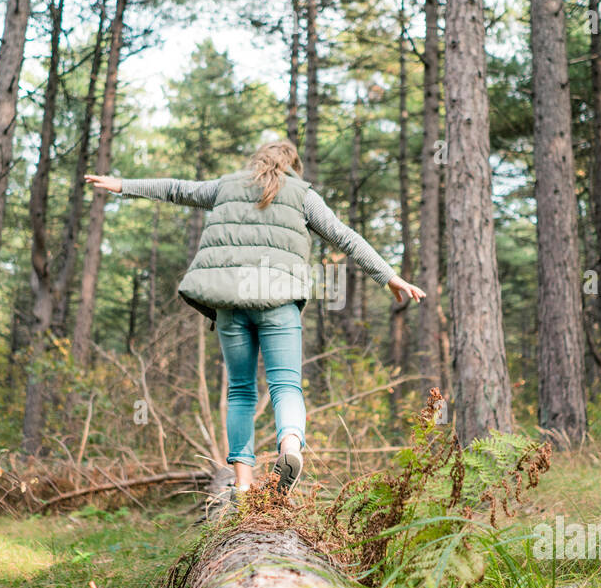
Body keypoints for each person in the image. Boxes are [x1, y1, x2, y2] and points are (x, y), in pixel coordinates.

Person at [86, 138, 425, 509]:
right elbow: (343, 235)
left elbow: (174, 189)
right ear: (292, 165)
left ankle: (243, 486)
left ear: (256, 162)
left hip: (231, 302)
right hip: (278, 301)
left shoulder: (227, 186)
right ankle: (290, 446)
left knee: (241, 391)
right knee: (285, 385)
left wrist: (121, 185)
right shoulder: (301, 193)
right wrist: (389, 276)